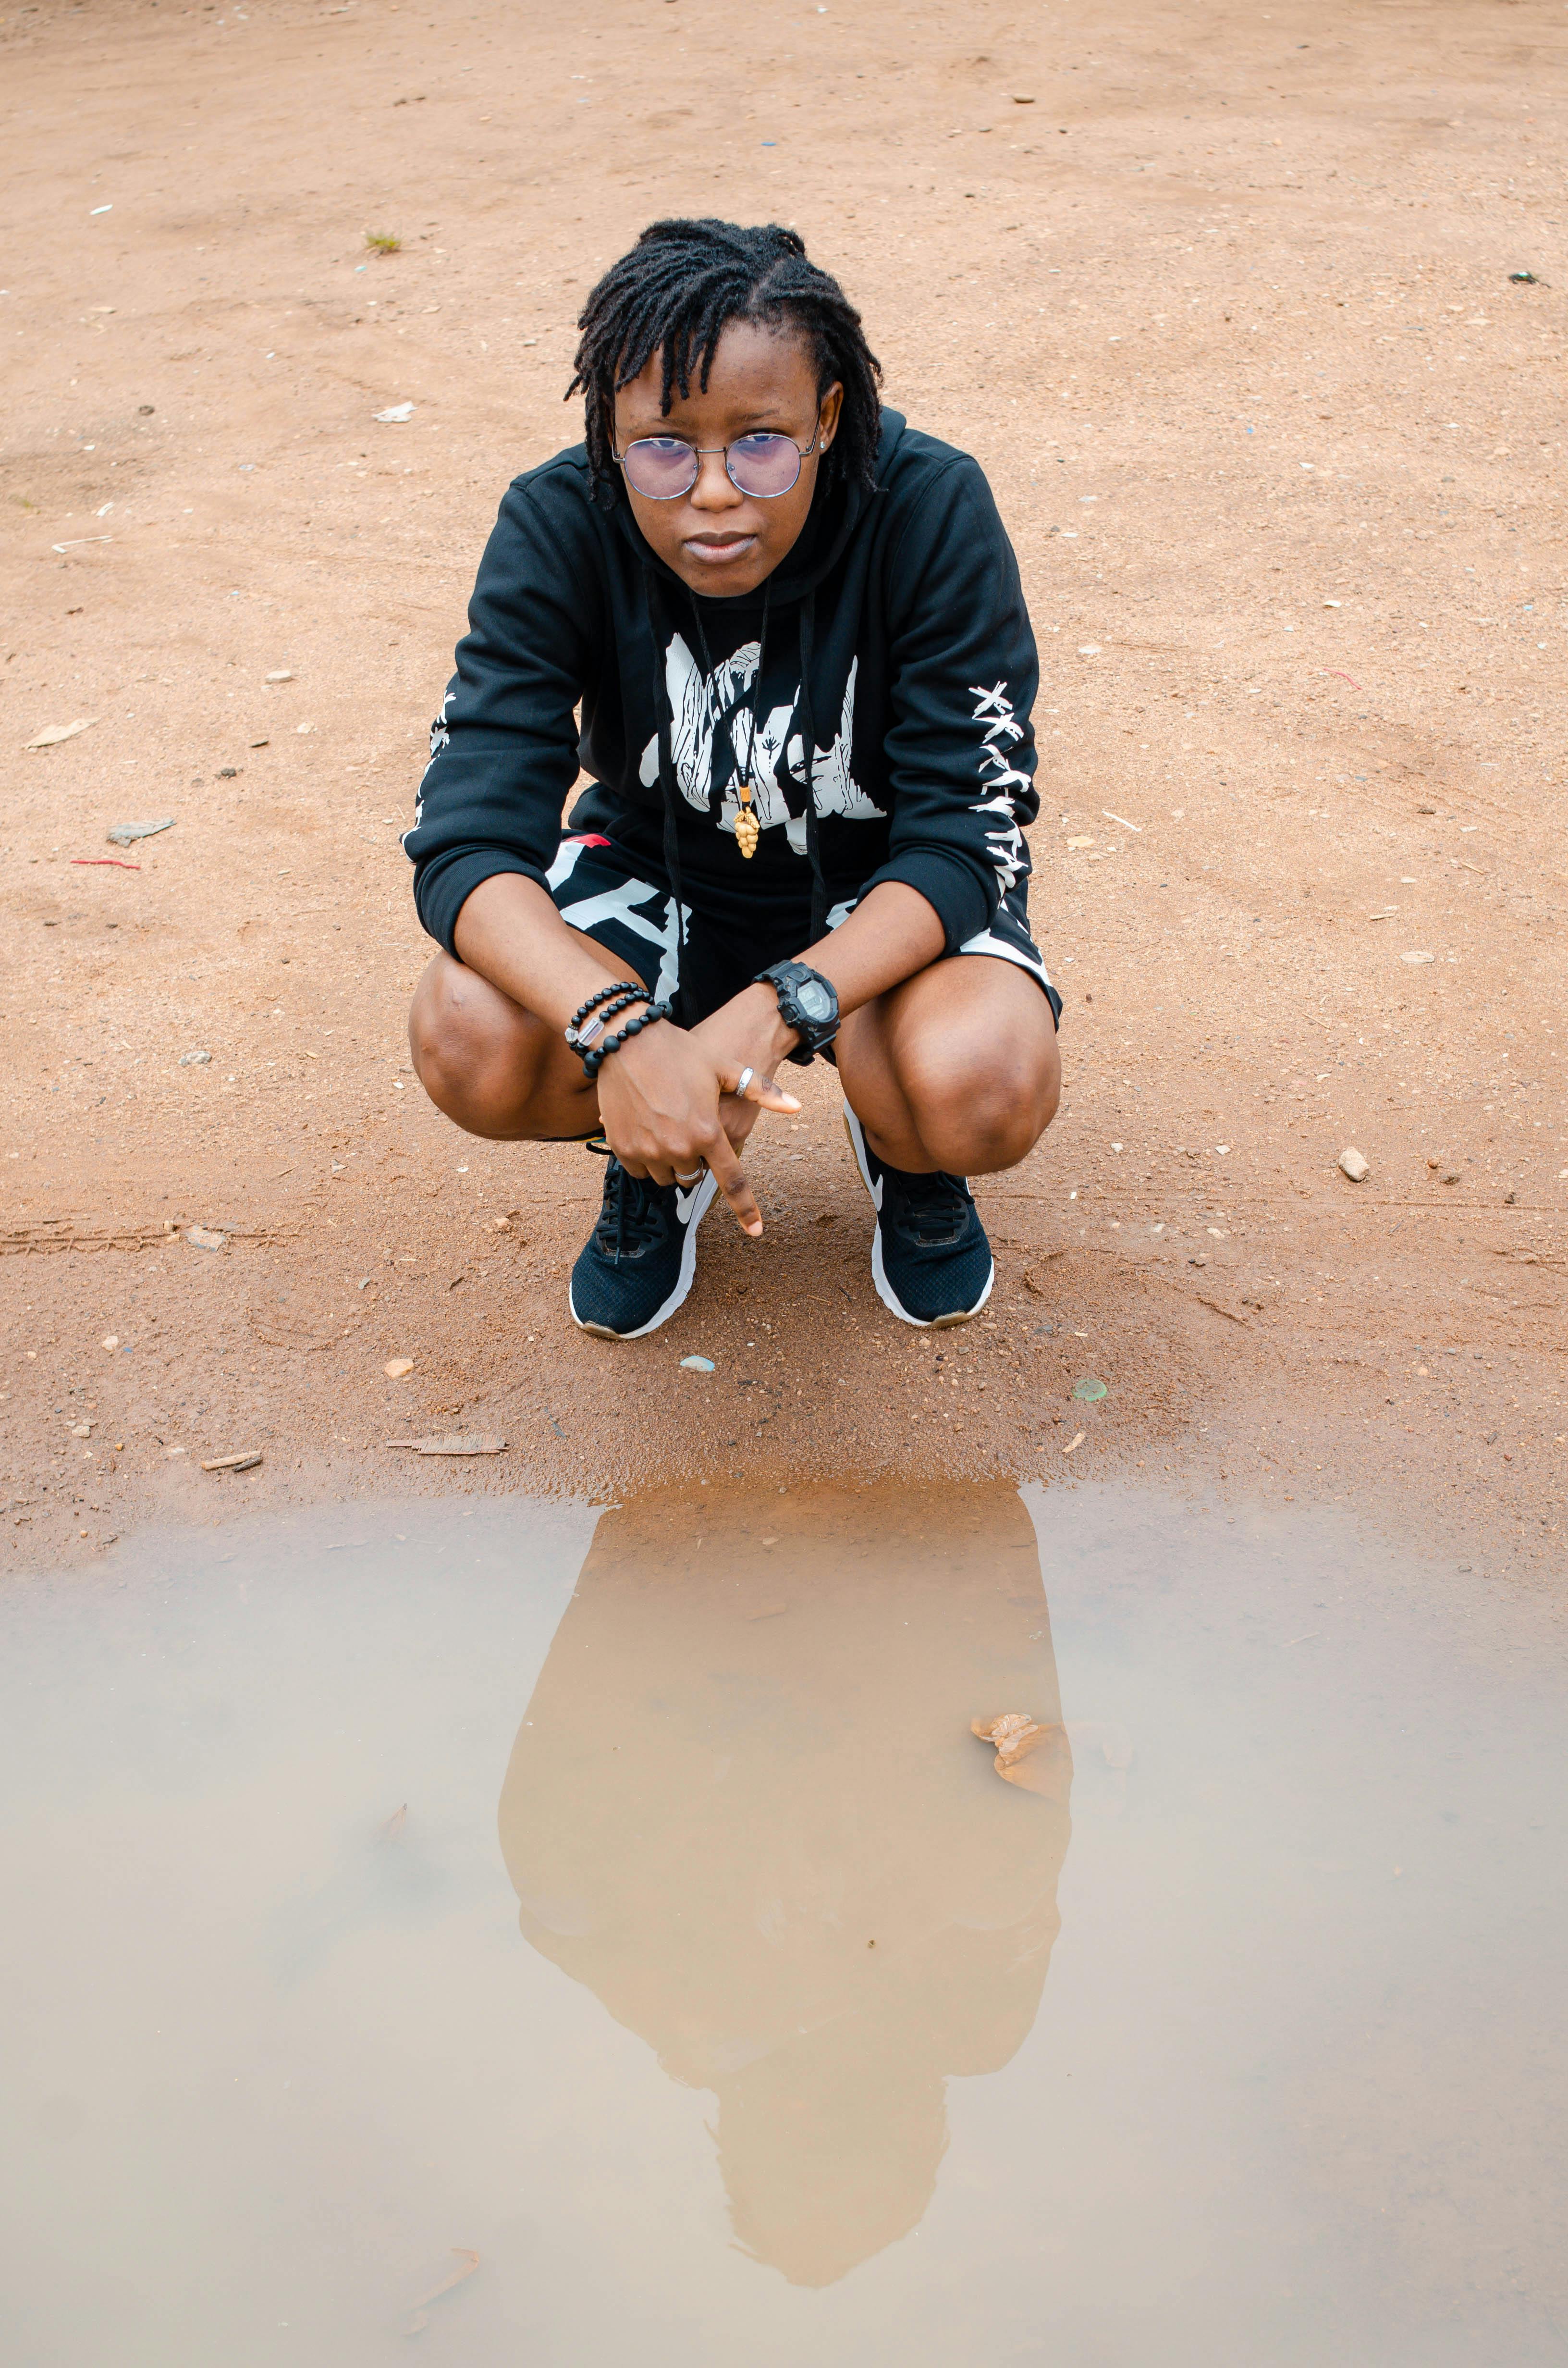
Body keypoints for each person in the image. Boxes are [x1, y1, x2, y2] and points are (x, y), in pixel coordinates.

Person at [406, 216, 1061, 1340]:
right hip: (660, 884)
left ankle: (902, 1142)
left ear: (829, 419)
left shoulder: (931, 507)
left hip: (880, 894)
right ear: (609, 437)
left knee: (981, 1078)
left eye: (760, 441)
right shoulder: (559, 522)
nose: (713, 490)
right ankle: (657, 1151)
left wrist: (785, 1006)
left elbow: (967, 837)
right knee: (467, 1029)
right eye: (664, 446)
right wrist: (618, 1032)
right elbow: (466, 844)